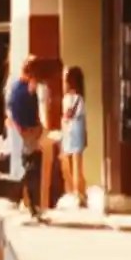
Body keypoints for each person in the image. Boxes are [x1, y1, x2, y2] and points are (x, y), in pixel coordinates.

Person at [7, 56, 46, 221]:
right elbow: (21, 111)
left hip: (25, 132)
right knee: (31, 168)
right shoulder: (23, 88)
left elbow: (12, 110)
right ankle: (31, 203)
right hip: (26, 133)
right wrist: (32, 128)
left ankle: (27, 201)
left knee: (26, 167)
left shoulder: (17, 87)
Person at [60, 66, 88, 208]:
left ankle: (78, 193)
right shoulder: (78, 98)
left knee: (74, 164)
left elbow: (67, 115)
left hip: (72, 132)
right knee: (75, 164)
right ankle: (79, 192)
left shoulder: (72, 99)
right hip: (75, 132)